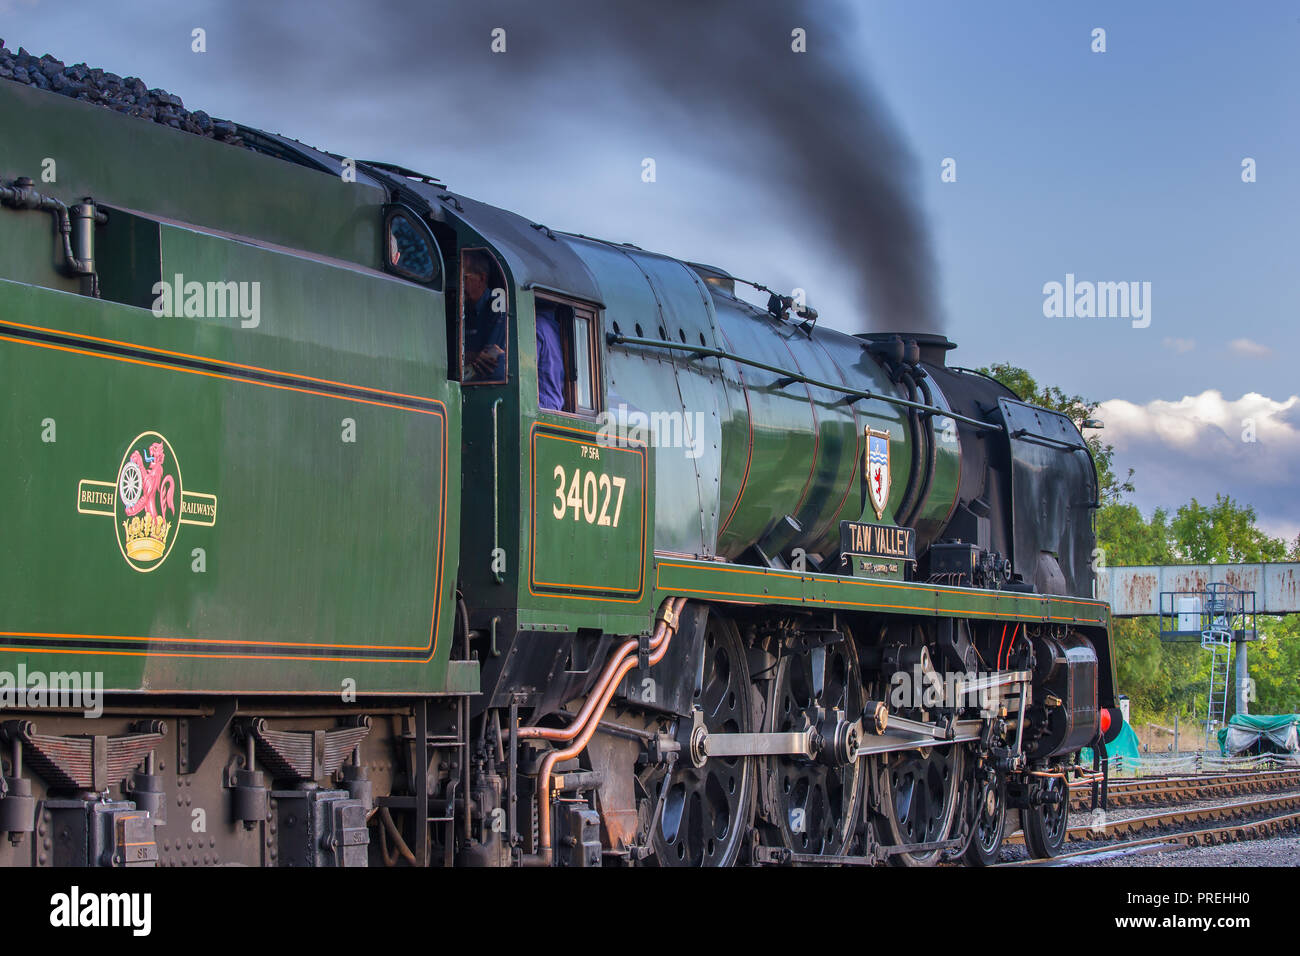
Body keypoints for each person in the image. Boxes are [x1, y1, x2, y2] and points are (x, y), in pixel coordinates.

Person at [462, 250, 506, 380]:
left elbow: (489, 362)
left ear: (482, 278)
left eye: (463, 278)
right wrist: (472, 356)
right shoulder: (462, 309)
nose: (457, 283)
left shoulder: (499, 311)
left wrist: (468, 357)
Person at [536, 305, 566, 411]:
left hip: (541, 407)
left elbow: (525, 369)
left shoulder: (536, 325)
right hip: (554, 407)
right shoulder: (557, 329)